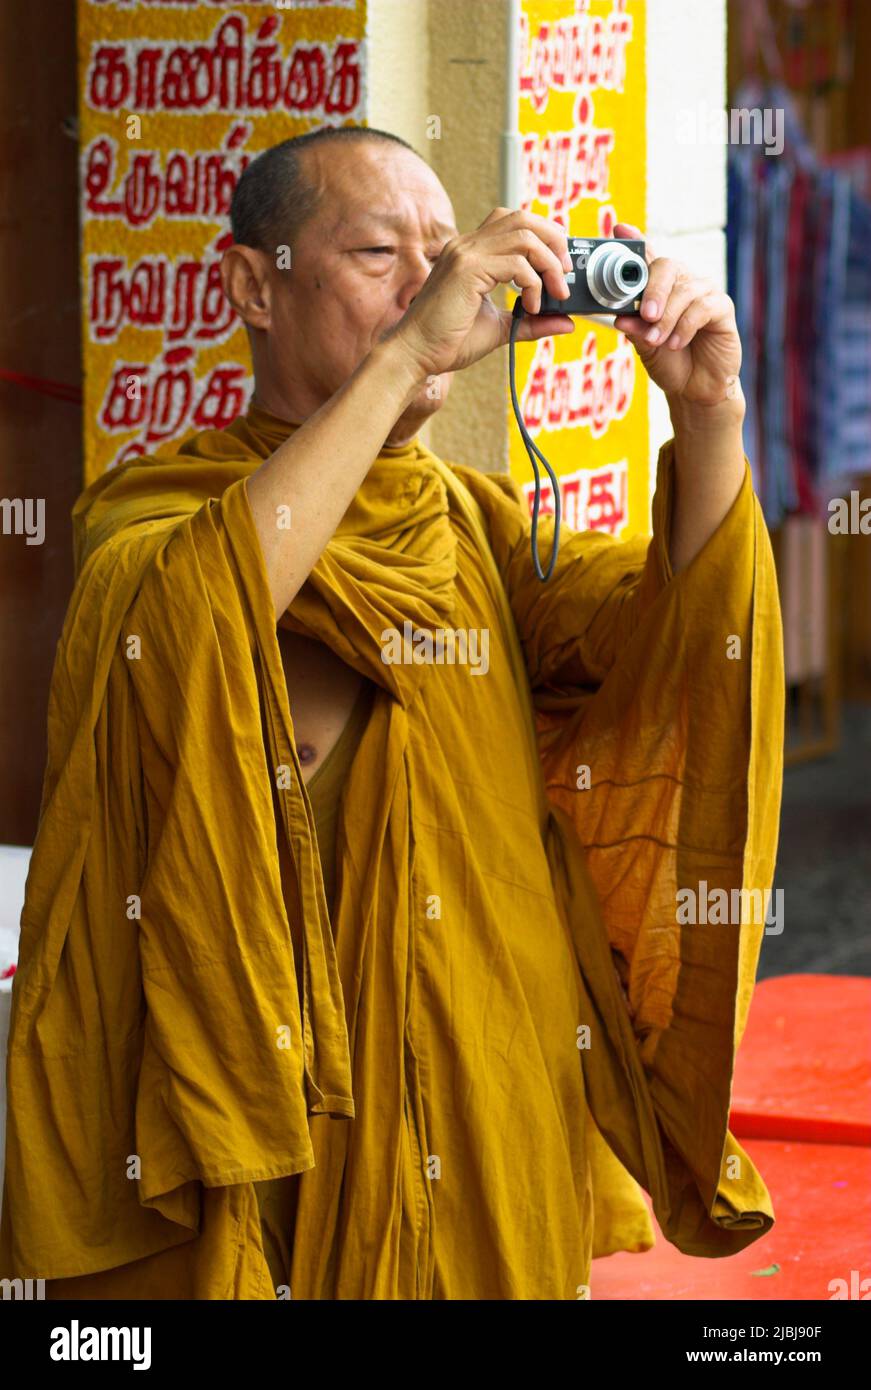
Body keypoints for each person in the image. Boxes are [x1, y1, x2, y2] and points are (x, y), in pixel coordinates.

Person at [0, 126, 782, 1300]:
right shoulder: (155, 519)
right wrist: (406, 353)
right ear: (252, 285)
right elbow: (190, 622)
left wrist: (710, 413)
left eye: (442, 252)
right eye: (379, 252)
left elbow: (677, 639)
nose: (431, 285)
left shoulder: (471, 528)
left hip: (490, 1116)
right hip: (283, 1153)